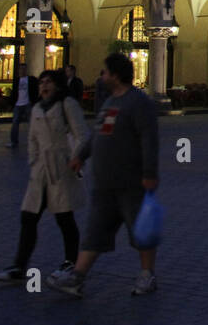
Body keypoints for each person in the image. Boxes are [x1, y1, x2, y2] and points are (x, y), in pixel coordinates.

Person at [49, 52, 160, 298]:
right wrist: (81, 156)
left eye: (106, 72)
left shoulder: (138, 103)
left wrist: (149, 174)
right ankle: (77, 277)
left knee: (141, 230)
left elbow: (149, 140)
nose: (102, 76)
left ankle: (147, 275)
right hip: (105, 184)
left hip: (130, 181)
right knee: (95, 231)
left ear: (116, 75)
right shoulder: (110, 102)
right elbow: (98, 134)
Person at [0, 69, 88, 283]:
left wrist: (76, 159)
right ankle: (19, 266)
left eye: (49, 82)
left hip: (62, 168)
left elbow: (82, 135)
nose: (44, 86)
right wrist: (33, 161)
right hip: (40, 173)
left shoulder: (67, 105)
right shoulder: (36, 108)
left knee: (65, 218)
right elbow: (33, 140)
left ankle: (70, 263)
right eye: (41, 82)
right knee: (28, 217)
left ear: (58, 85)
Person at [9, 62, 37, 148]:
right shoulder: (17, 80)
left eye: (24, 69)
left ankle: (34, 141)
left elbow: (35, 90)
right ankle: (13, 141)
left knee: (31, 123)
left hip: (27, 103)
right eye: (21, 69)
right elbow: (14, 92)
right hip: (18, 104)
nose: (23, 71)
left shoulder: (31, 80)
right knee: (15, 123)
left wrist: (33, 101)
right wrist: (12, 103)